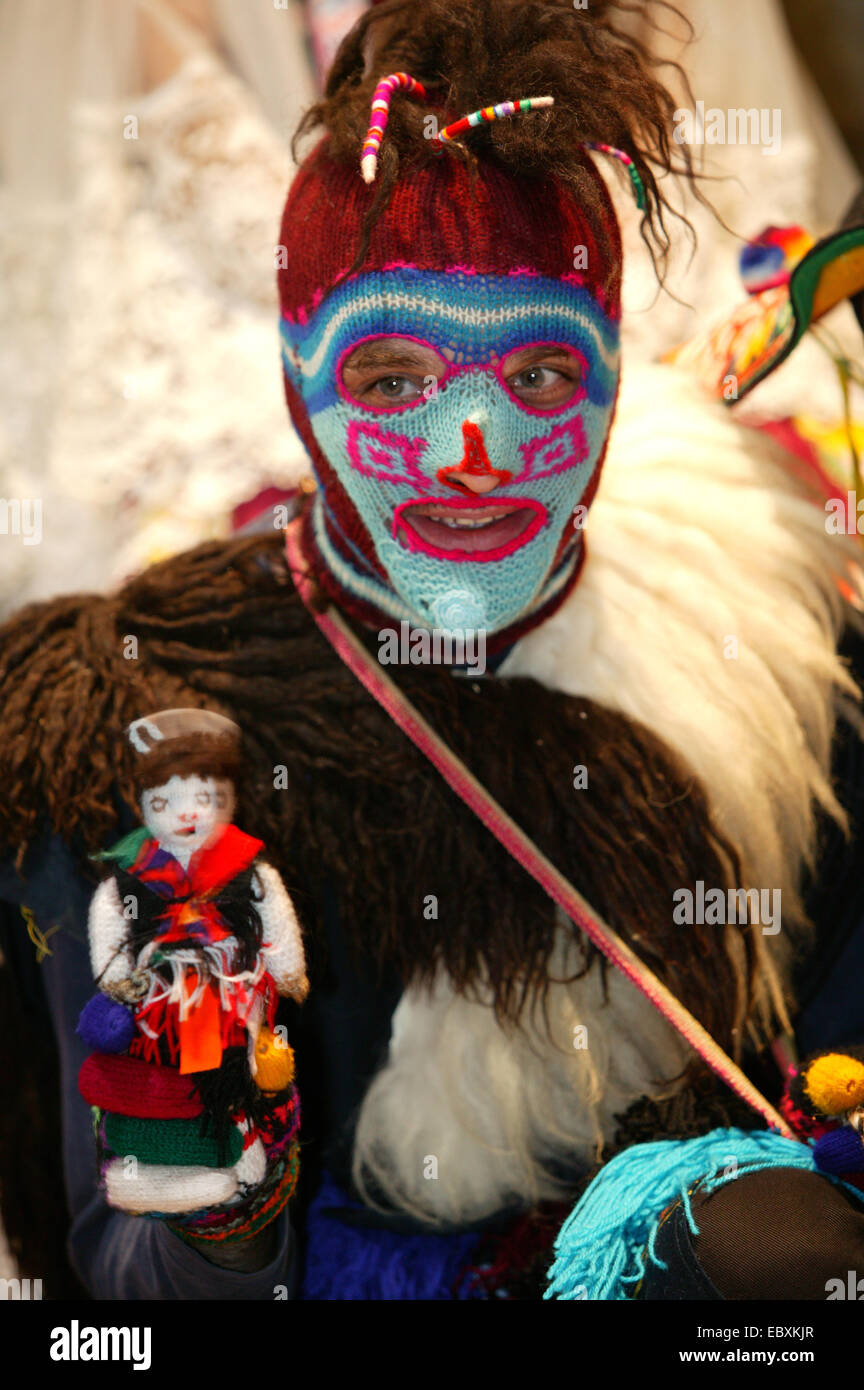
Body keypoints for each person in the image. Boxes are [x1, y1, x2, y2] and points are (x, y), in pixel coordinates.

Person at [1, 0, 863, 1300]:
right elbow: (116, 1273)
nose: (476, 450)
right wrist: (217, 1212)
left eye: (538, 376)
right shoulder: (137, 746)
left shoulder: (792, 657)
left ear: (618, 378)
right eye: (395, 375)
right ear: (297, 376)